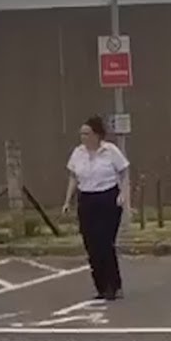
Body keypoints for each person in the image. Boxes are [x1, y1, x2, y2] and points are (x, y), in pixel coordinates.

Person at [61, 115, 131, 301]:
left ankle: (114, 286)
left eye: (87, 133)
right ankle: (101, 286)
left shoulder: (110, 151)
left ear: (97, 134)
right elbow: (73, 177)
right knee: (91, 245)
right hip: (87, 199)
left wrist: (123, 194)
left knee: (105, 243)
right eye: (81, 134)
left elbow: (124, 172)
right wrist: (68, 201)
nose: (83, 137)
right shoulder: (78, 153)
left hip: (107, 198)